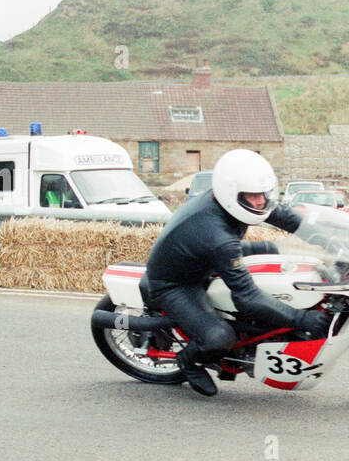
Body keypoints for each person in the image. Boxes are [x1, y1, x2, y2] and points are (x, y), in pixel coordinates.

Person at [142, 149, 332, 397]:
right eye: (254, 196)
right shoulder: (218, 236)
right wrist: (301, 320)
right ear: (233, 194)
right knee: (219, 337)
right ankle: (189, 361)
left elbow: (285, 217)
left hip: (205, 257)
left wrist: (330, 241)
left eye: (264, 194)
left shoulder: (237, 203)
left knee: (274, 250)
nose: (261, 201)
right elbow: (247, 297)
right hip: (177, 282)